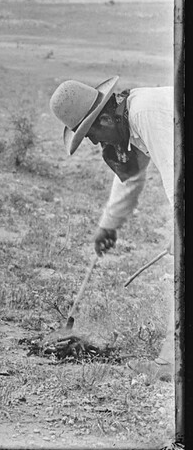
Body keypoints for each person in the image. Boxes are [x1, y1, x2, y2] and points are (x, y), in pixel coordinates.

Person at [51, 76, 178, 384]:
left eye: (92, 133)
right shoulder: (129, 117)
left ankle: (172, 363)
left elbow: (179, 173)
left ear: (105, 117)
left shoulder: (146, 112)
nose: (95, 143)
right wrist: (108, 225)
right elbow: (131, 175)